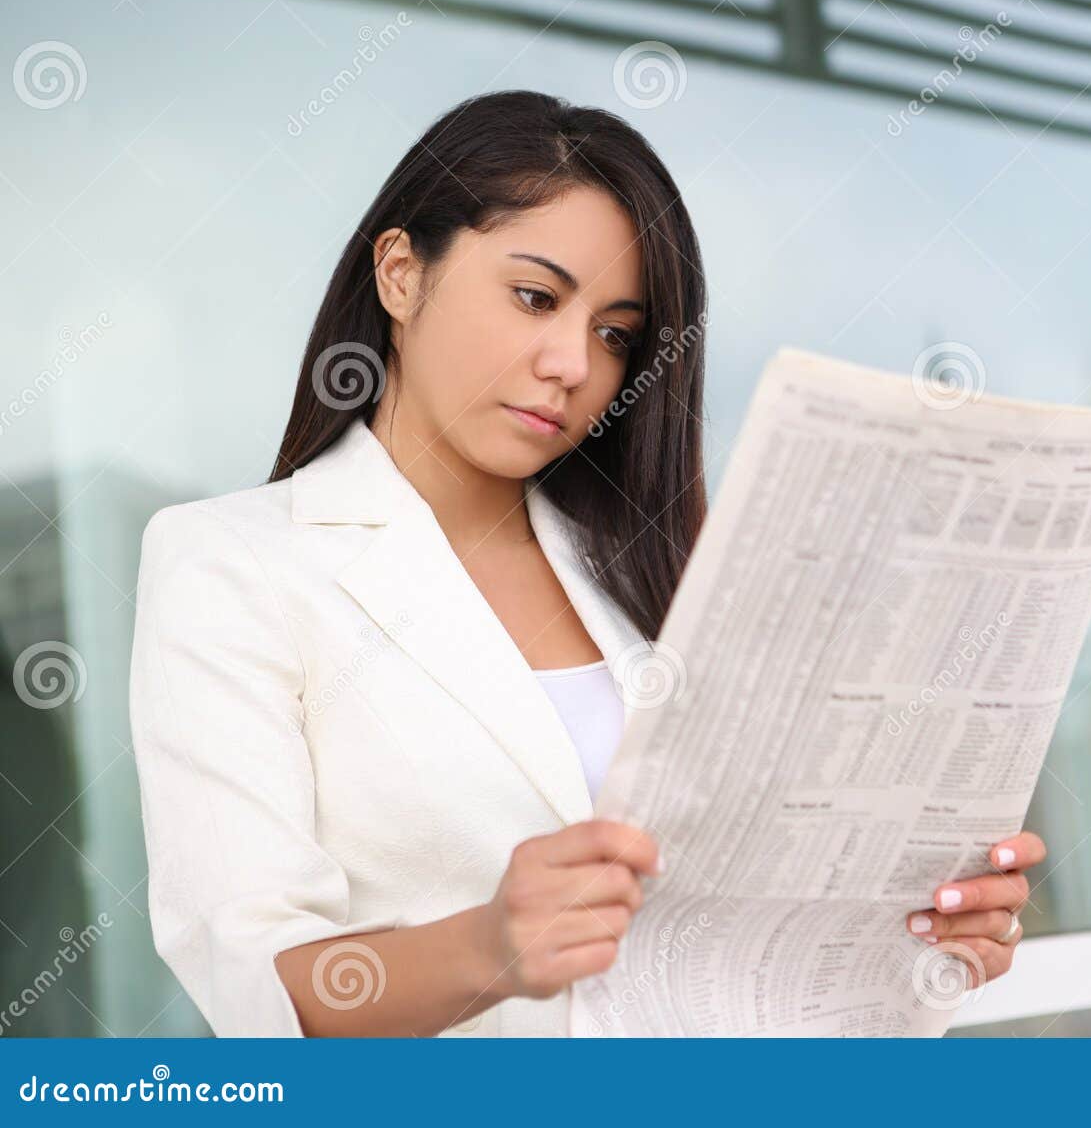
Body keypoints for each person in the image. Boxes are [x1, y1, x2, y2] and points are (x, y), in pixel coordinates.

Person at [127, 89, 1044, 1037]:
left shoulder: (660, 575)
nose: (574, 364)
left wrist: (924, 936)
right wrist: (488, 947)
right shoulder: (232, 565)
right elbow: (257, 986)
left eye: (615, 335)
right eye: (535, 297)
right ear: (400, 275)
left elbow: (753, 947)